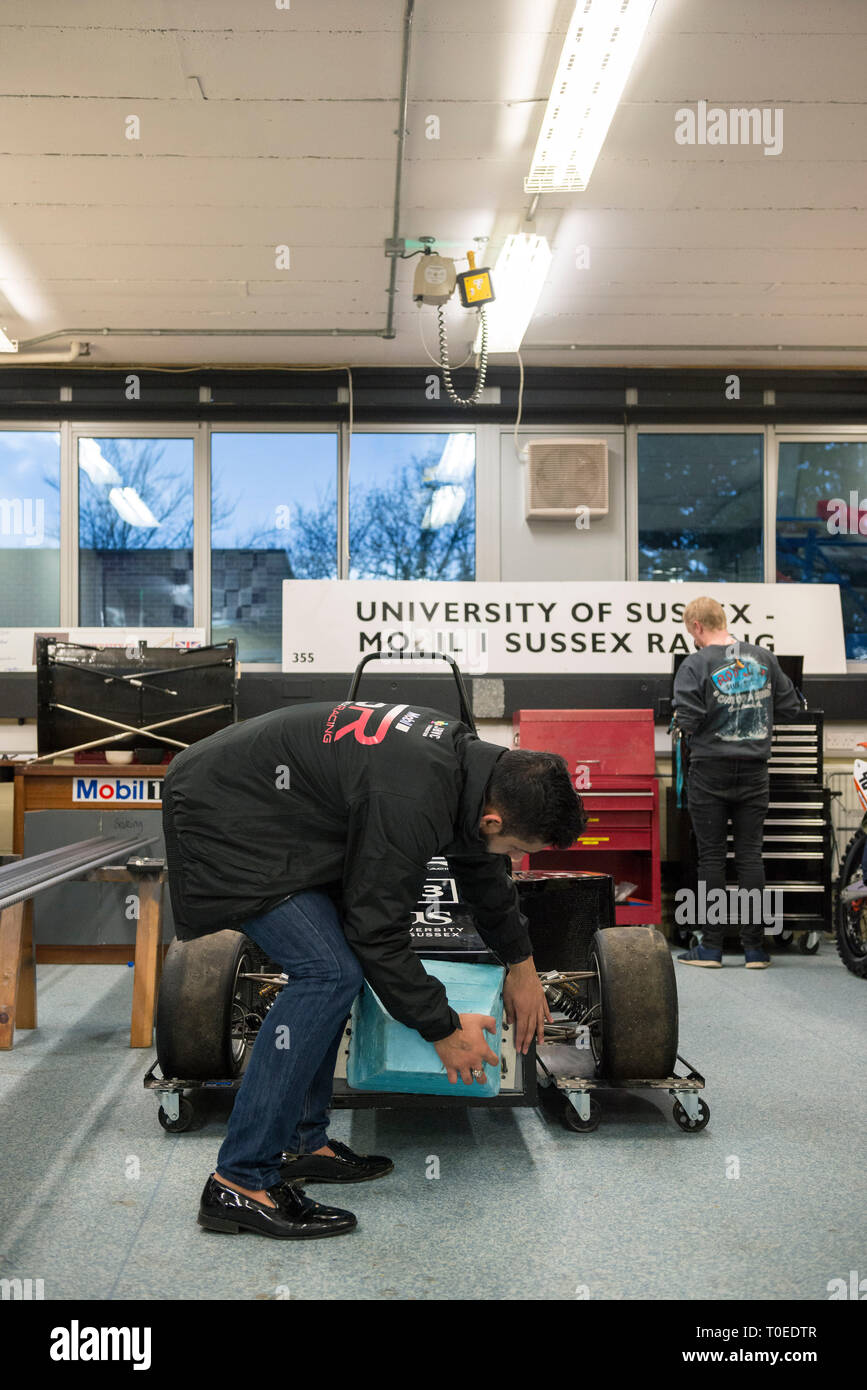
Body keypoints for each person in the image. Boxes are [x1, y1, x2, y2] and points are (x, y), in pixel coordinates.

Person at [162, 697, 586, 1240]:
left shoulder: (479, 773)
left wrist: (521, 965)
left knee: (336, 966)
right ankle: (239, 1181)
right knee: (330, 971)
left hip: (275, 803)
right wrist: (443, 1028)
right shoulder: (412, 796)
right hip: (223, 809)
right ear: (494, 818)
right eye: (518, 847)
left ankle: (300, 1142)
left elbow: (483, 870)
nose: (517, 859)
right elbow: (376, 931)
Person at [672, 597, 803, 969]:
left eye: (690, 633)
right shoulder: (764, 658)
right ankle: (755, 950)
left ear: (697, 626)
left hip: (710, 770)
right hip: (754, 770)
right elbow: (792, 708)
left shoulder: (696, 663)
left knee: (712, 858)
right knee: (750, 857)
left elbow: (689, 719)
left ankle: (711, 948)